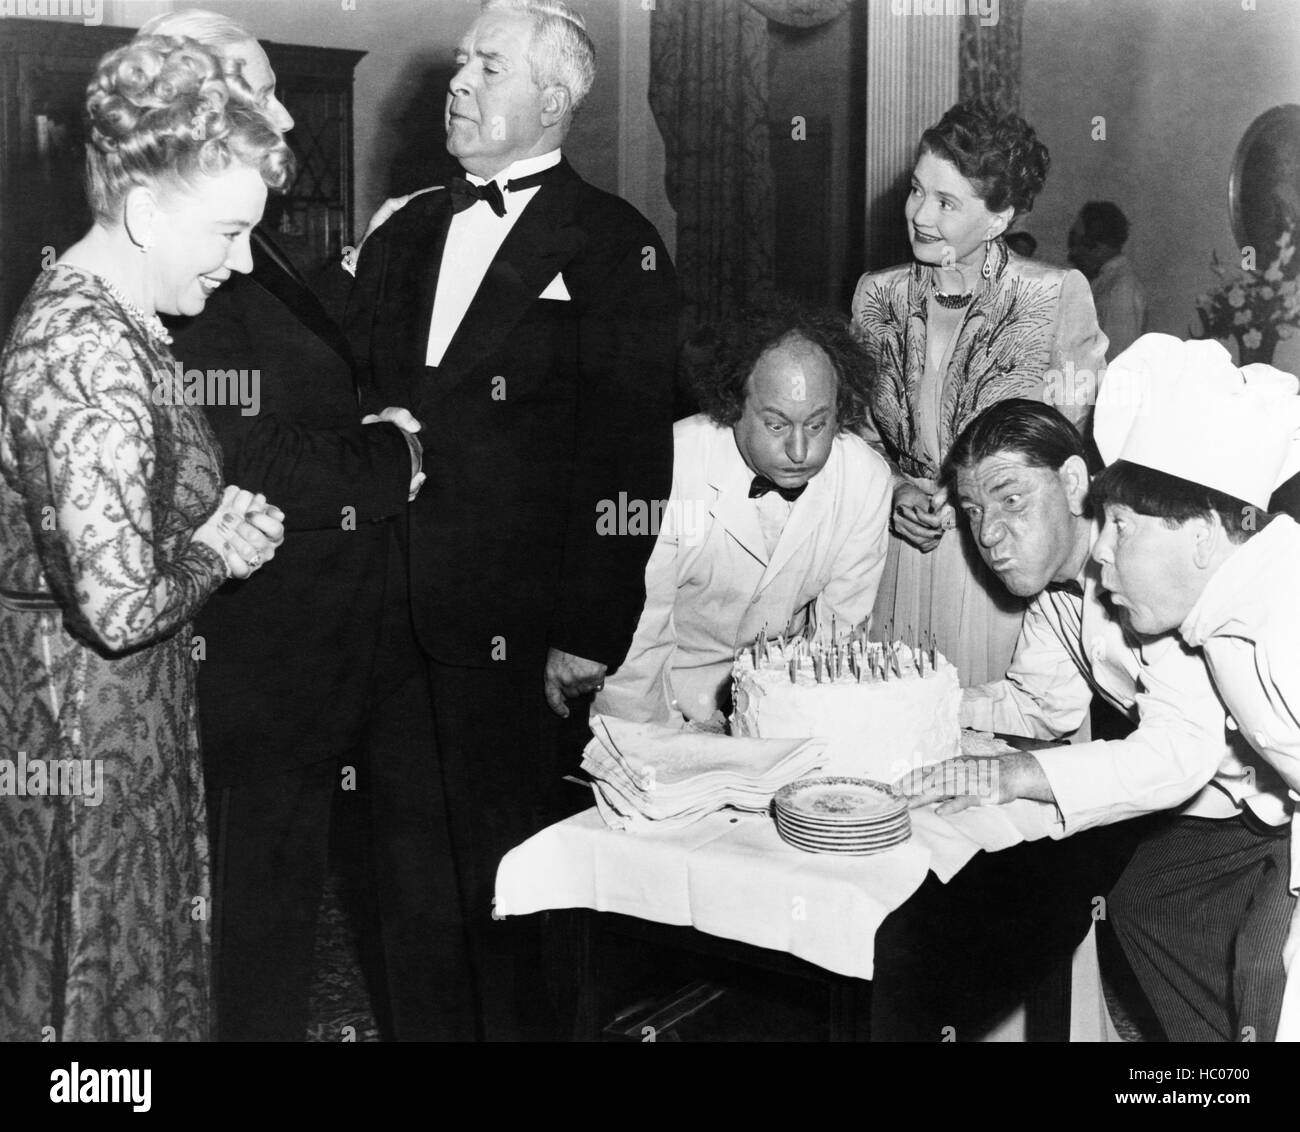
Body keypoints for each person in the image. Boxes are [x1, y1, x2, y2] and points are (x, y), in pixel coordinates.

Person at [346, 0, 679, 1040]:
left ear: (555, 98)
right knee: (405, 882)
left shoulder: (616, 244)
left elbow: (633, 457)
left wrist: (588, 629)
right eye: (461, 62)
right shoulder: (404, 231)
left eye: (488, 66)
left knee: (520, 889)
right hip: (389, 615)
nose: (459, 82)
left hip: (521, 634)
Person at [140, 10, 469, 1042]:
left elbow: (294, 364)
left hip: (302, 646)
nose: (285, 115)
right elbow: (251, 455)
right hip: (250, 651)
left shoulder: (251, 243)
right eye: (259, 88)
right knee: (245, 918)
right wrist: (394, 458)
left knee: (274, 905)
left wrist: (370, 264)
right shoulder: (182, 267)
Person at [0, 35, 289, 1041]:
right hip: (84, 725)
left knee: (137, 975)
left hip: (129, 714)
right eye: (228, 231)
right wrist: (218, 552)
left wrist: (200, 521)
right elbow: (121, 610)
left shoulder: (119, 317)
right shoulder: (85, 350)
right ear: (143, 212)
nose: (240, 262)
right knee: (92, 982)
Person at [905, 395, 1291, 1042]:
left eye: (1011, 500)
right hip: (1214, 804)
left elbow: (1177, 751)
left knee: (1266, 973)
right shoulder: (1053, 598)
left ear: (1073, 482)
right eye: (973, 512)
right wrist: (917, 697)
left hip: (1270, 806)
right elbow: (1040, 705)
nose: (989, 535)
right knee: (1140, 905)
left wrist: (1014, 774)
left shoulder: (1151, 580)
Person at [1087, 332, 1300, 1040]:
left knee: (1270, 973)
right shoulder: (1223, 615)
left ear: (1204, 537)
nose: (1100, 552)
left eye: (1121, 527)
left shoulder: (1287, 619)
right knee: (1150, 901)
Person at [851, 99, 1107, 688]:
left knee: (994, 724)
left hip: (1006, 569)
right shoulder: (876, 295)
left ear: (999, 218)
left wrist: (973, 494)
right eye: (917, 190)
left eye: (947, 202)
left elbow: (1074, 449)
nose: (920, 214)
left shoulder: (1055, 295)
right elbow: (858, 436)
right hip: (898, 559)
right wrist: (894, 490)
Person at [595, 302, 891, 729]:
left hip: (780, 698)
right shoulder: (661, 470)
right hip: (664, 691)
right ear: (732, 405)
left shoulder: (865, 479)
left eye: (816, 425)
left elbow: (837, 641)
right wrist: (663, 748)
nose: (800, 452)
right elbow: (636, 644)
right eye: (777, 425)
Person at [1068, 201, 1148, 357]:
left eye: (1078, 243)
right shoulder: (1105, 280)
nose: (1074, 252)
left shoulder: (1122, 288)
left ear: (1098, 245)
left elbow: (1117, 355)